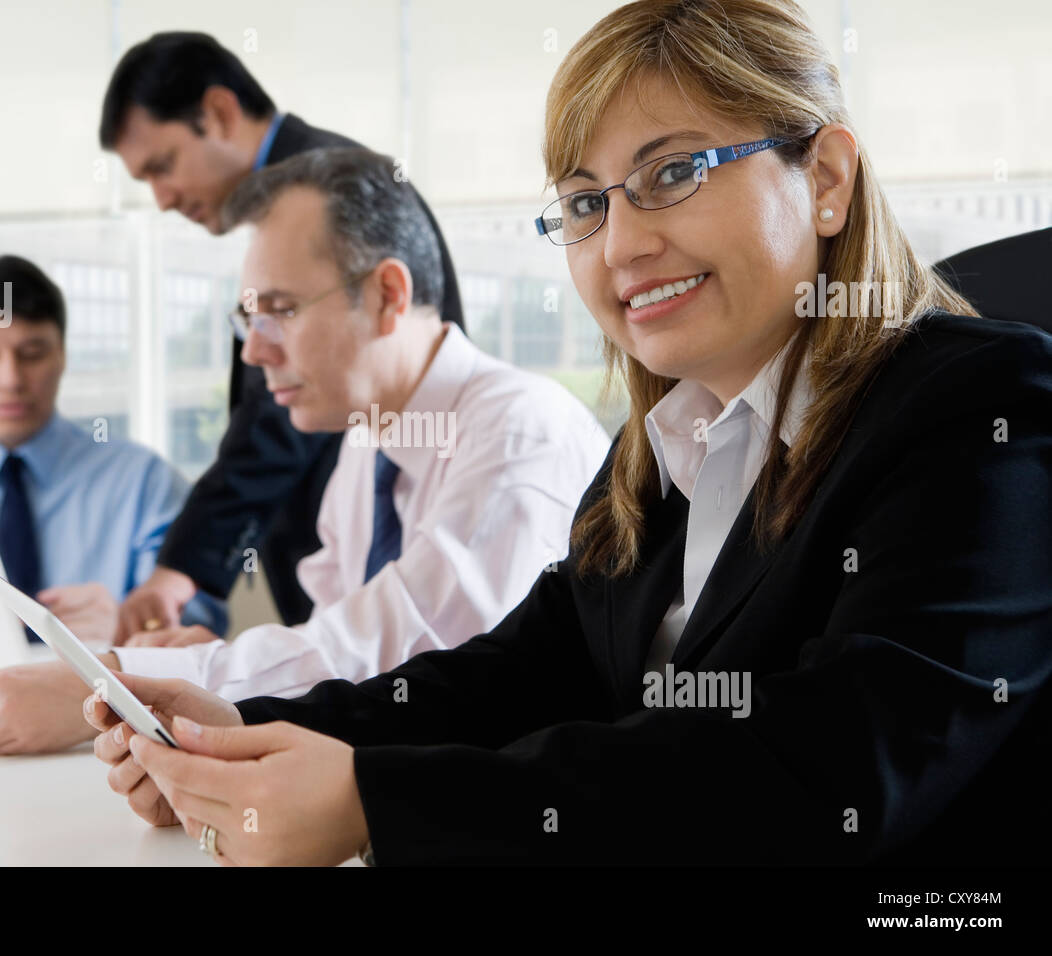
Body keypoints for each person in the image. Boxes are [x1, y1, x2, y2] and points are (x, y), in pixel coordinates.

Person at [81, 0, 1052, 866]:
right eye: (587, 201)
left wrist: (375, 804)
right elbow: (517, 677)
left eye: (672, 171)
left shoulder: (979, 411)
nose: (622, 244)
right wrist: (247, 729)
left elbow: (834, 764)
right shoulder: (657, 456)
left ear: (827, 178)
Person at [0, 148, 609, 755]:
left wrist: (120, 677)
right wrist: (207, 666)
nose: (254, 350)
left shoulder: (520, 431)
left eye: (281, 311)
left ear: (388, 295)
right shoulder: (367, 442)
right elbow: (334, 654)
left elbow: (403, 654)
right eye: (249, 318)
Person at [99, 32, 465, 637]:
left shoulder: (324, 194)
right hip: (347, 582)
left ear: (218, 113)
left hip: (389, 583)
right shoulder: (304, 197)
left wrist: (182, 566)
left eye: (162, 166)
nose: (161, 200)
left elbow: (272, 427)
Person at [0, 255, 225, 651]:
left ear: (62, 355)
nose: (10, 380)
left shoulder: (143, 481)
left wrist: (128, 625)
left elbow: (199, 630)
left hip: (99, 705)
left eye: (32, 354)